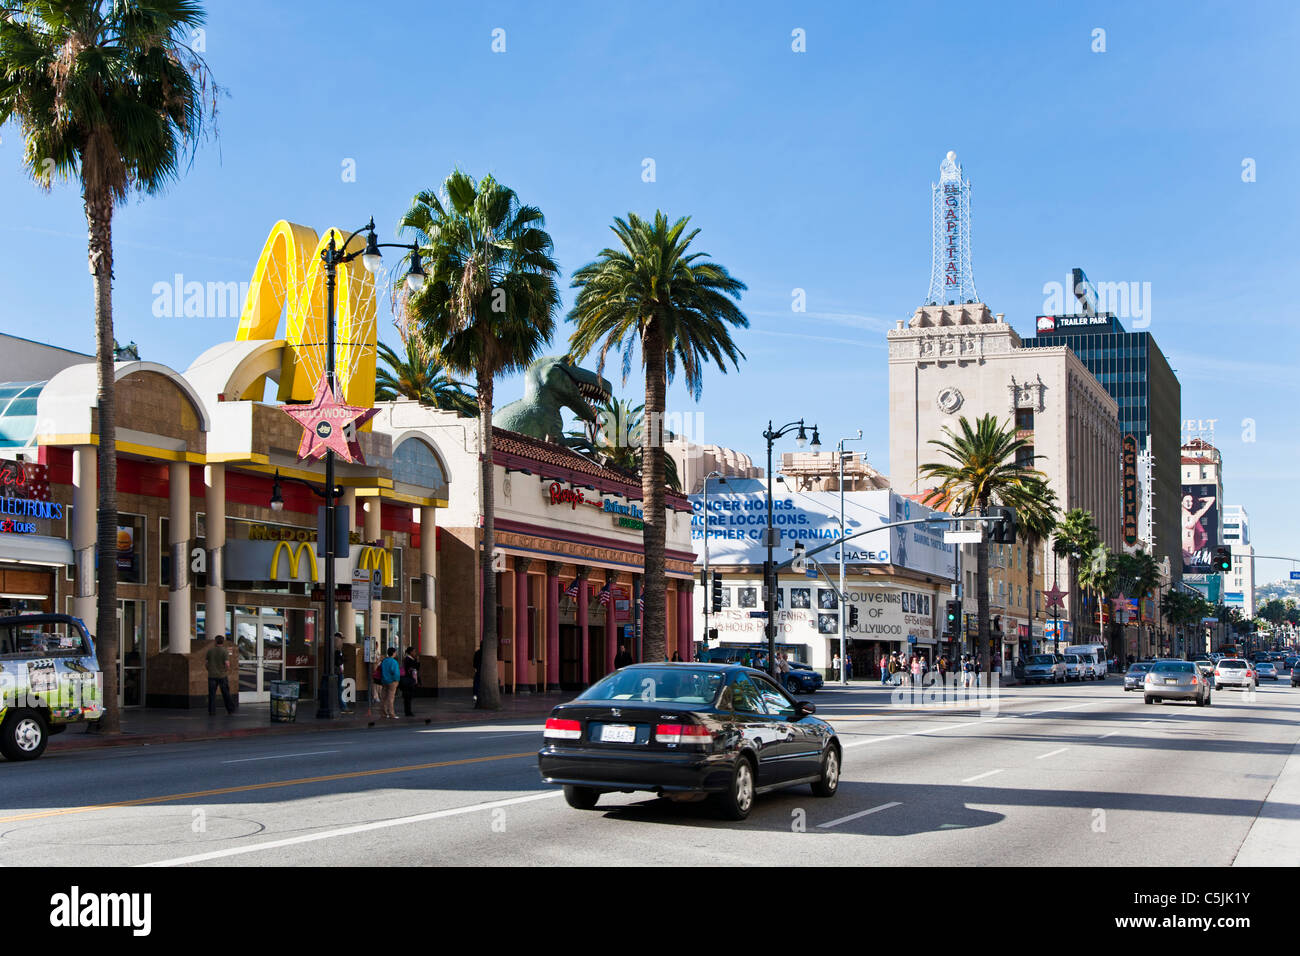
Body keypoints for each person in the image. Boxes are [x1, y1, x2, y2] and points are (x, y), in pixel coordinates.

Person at [206, 634, 236, 716]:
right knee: (225, 693)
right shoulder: (224, 651)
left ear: (215, 641)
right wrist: (226, 670)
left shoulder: (210, 651)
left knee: (212, 694)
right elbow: (227, 663)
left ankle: (211, 711)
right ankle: (230, 709)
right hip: (222, 676)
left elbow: (207, 664)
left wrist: (210, 670)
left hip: (212, 676)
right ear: (223, 642)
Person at [380, 646, 401, 719]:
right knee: (391, 698)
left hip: (384, 681)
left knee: (383, 698)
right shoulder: (394, 662)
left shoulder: (384, 661)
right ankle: (392, 714)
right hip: (392, 681)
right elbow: (396, 673)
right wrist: (397, 680)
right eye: (395, 652)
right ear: (393, 653)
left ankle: (384, 713)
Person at [400, 645, 420, 717]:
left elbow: (417, 668)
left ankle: (408, 711)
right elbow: (413, 668)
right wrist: (416, 661)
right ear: (410, 652)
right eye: (414, 651)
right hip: (408, 680)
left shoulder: (411, 659)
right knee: (407, 697)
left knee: (409, 697)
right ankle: (408, 712)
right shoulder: (408, 659)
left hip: (410, 680)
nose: (415, 653)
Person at [333, 632, 350, 714]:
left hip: (339, 671)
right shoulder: (337, 650)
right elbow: (338, 661)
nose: (342, 641)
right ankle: (343, 706)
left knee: (341, 689)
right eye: (341, 639)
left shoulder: (338, 650)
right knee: (341, 689)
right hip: (338, 671)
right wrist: (342, 660)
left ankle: (342, 705)